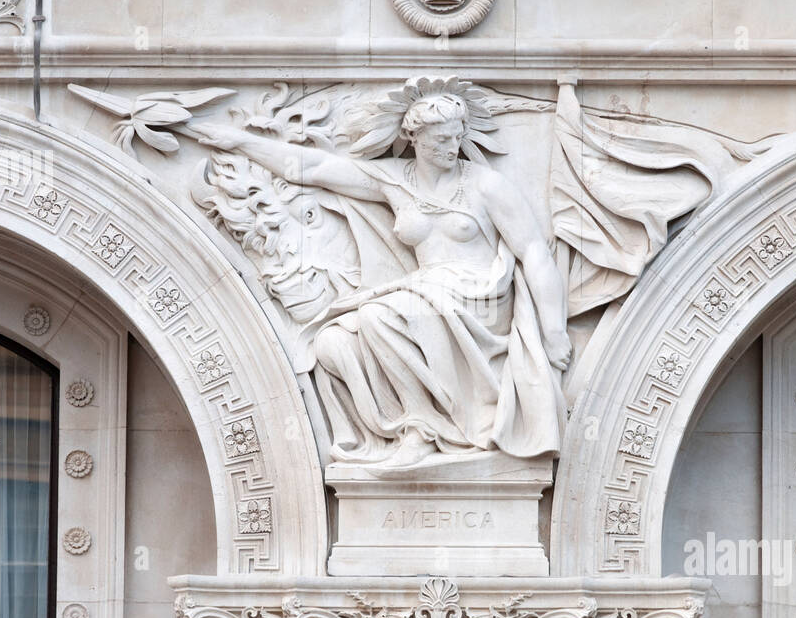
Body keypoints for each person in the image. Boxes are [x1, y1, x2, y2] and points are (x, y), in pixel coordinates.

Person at [193, 92, 570, 467]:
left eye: (458, 136)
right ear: (414, 138)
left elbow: (534, 253)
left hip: (480, 297)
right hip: (426, 292)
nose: (453, 147)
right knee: (331, 342)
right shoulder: (395, 180)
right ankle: (382, 432)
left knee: (378, 315)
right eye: (441, 139)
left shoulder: (486, 185)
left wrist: (554, 331)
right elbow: (316, 167)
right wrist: (243, 141)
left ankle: (423, 427)